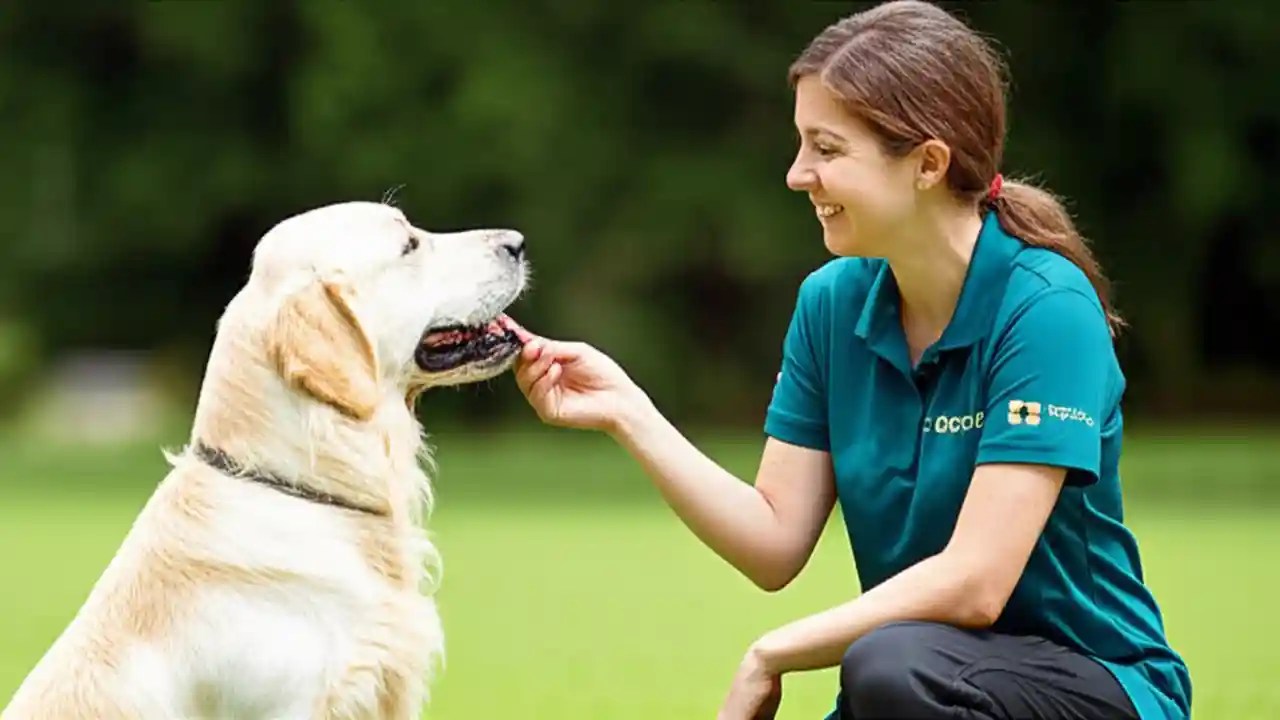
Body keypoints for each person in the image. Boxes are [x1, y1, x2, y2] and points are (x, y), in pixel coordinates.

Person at [511, 1, 1191, 718]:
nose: (798, 174)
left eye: (826, 149)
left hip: (1095, 685)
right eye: (801, 145)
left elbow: (977, 581)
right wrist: (628, 413)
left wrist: (772, 652)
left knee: (890, 665)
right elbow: (773, 542)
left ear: (928, 163)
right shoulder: (832, 304)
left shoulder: (1047, 308)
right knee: (891, 667)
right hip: (920, 681)